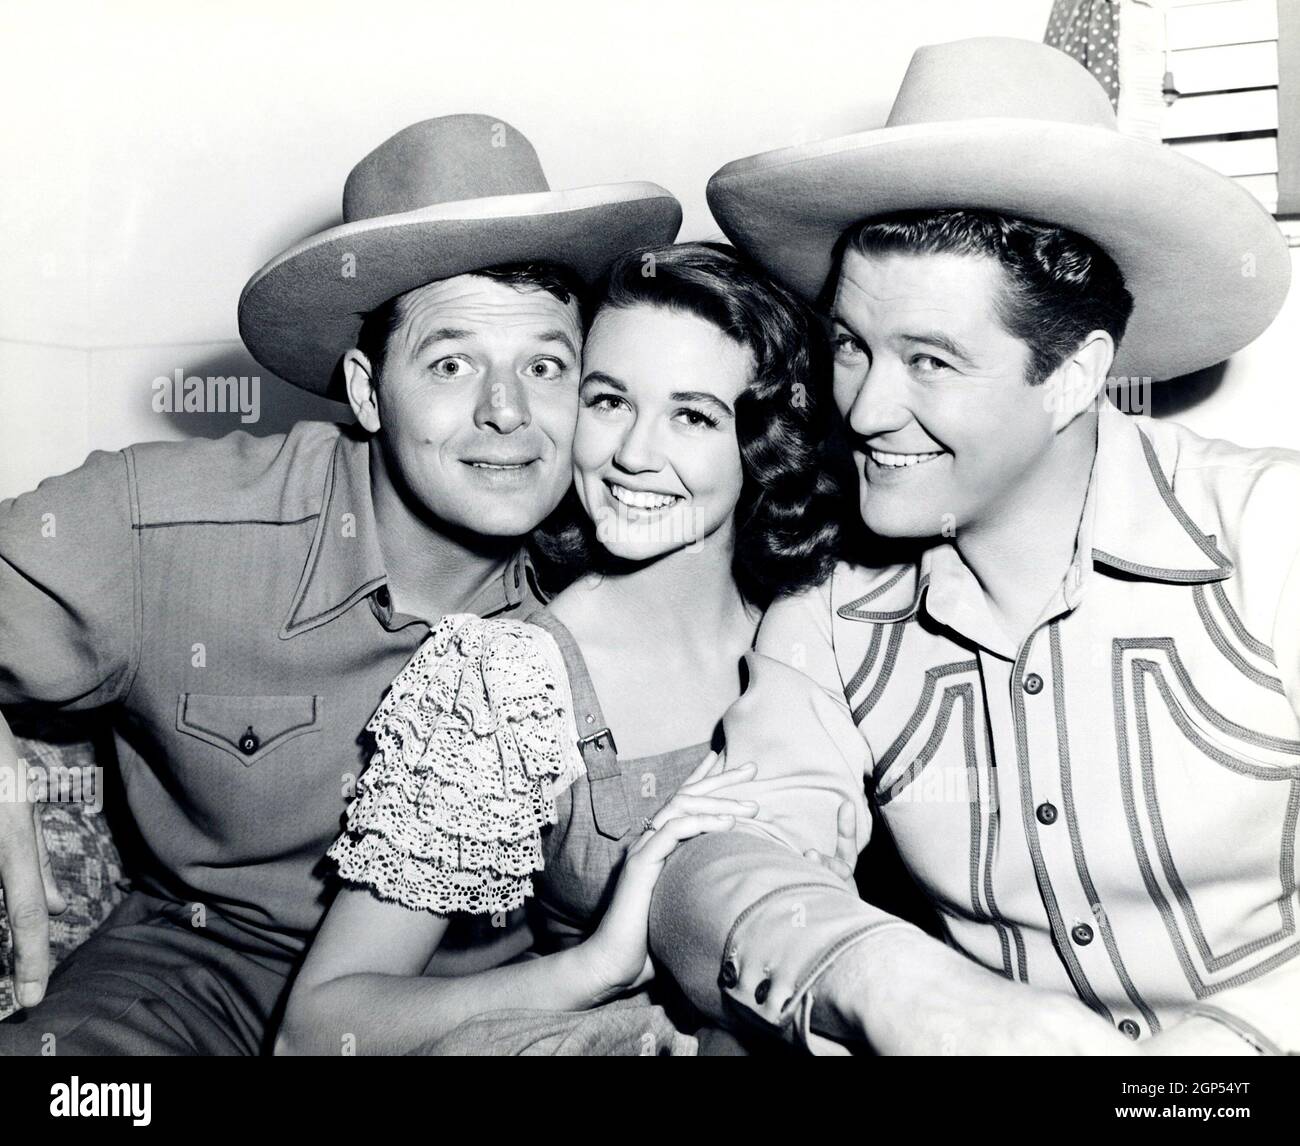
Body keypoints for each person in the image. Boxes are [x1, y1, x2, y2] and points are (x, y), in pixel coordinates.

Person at [646, 37, 1300, 1055]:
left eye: (932, 360)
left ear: (1074, 377)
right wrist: (885, 981)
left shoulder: (1271, 539)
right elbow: (705, 867)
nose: (863, 409)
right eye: (852, 347)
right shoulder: (827, 605)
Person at [0, 114, 681, 1054]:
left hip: (492, 1007)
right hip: (197, 969)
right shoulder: (166, 525)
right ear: (366, 391)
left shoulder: (632, 572)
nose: (506, 412)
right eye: (451, 363)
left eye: (544, 365)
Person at [274, 241, 849, 1056]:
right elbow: (314, 1031)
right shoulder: (507, 683)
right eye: (610, 401)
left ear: (765, 442)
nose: (634, 455)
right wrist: (597, 967)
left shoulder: (827, 617)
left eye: (692, 415)